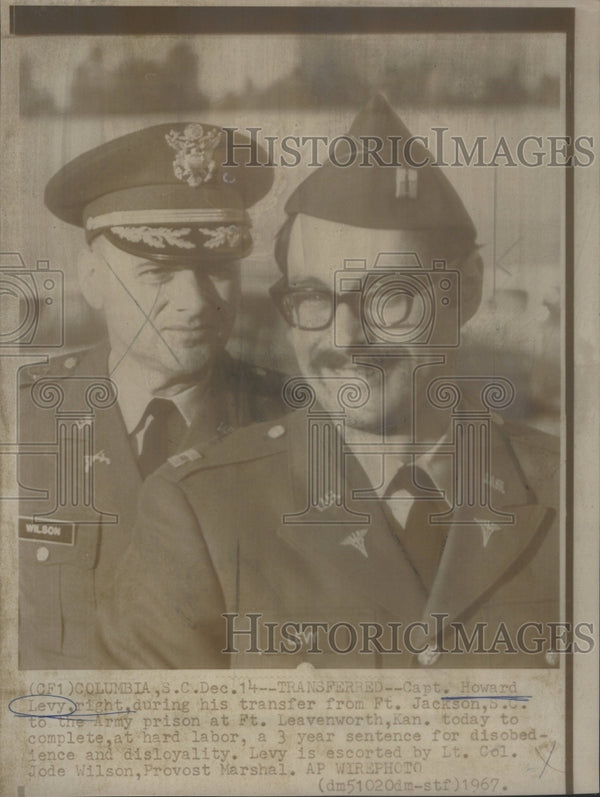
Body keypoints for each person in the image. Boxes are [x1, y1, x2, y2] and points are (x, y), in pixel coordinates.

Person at [101, 96, 560, 669]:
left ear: (464, 290)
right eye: (313, 297)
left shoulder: (571, 494)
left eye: (387, 296)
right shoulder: (203, 511)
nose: (343, 339)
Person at [18, 122, 283, 668]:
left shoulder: (302, 425)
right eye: (157, 271)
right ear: (92, 281)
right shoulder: (18, 418)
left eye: (217, 269)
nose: (193, 302)